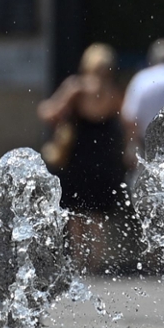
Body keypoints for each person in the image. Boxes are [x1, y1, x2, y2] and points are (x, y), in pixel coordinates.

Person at [39, 44, 130, 271]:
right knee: (97, 212)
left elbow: (49, 111)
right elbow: (127, 122)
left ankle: (80, 258)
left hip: (78, 154)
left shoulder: (77, 88)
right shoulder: (114, 91)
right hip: (103, 154)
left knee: (75, 211)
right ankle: (95, 260)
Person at [122, 39, 164, 147]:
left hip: (147, 148)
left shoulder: (141, 79)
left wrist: (132, 146)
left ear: (151, 59)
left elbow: (129, 118)